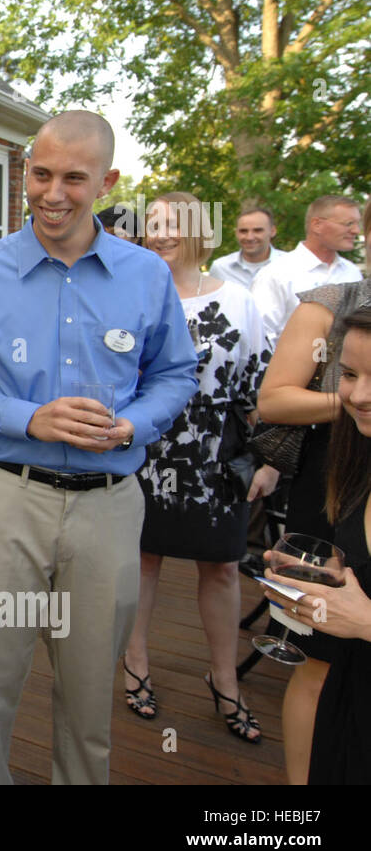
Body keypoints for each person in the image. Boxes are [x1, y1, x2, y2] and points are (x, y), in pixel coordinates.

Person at [0, 110, 198, 785]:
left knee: (86, 697)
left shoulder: (146, 274)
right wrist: (28, 418)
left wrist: (135, 423)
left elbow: (175, 372)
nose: (53, 193)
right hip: (6, 498)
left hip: (109, 507)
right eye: (40, 174)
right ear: (25, 172)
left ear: (107, 180)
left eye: (74, 178)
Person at [119, 193, 277, 743]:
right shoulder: (129, 297)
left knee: (224, 568)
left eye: (170, 226)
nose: (159, 235)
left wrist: (266, 458)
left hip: (216, 457)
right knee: (143, 560)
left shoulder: (240, 301)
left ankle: (225, 678)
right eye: (151, 225)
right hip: (144, 452)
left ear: (197, 232)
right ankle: (135, 660)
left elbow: (262, 388)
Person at [257, 252, 371, 783]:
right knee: (318, 656)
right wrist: (350, 401)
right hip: (336, 477)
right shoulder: (330, 304)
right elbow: (273, 401)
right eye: (350, 372)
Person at [252, 195, 362, 348]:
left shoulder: (352, 272)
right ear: (317, 224)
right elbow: (261, 336)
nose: (356, 230)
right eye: (348, 224)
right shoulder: (276, 273)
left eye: (357, 223)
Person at [209, 205, 285, 290]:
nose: (250, 237)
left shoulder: (290, 265)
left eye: (257, 230)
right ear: (236, 233)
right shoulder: (221, 268)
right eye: (243, 231)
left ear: (272, 231)